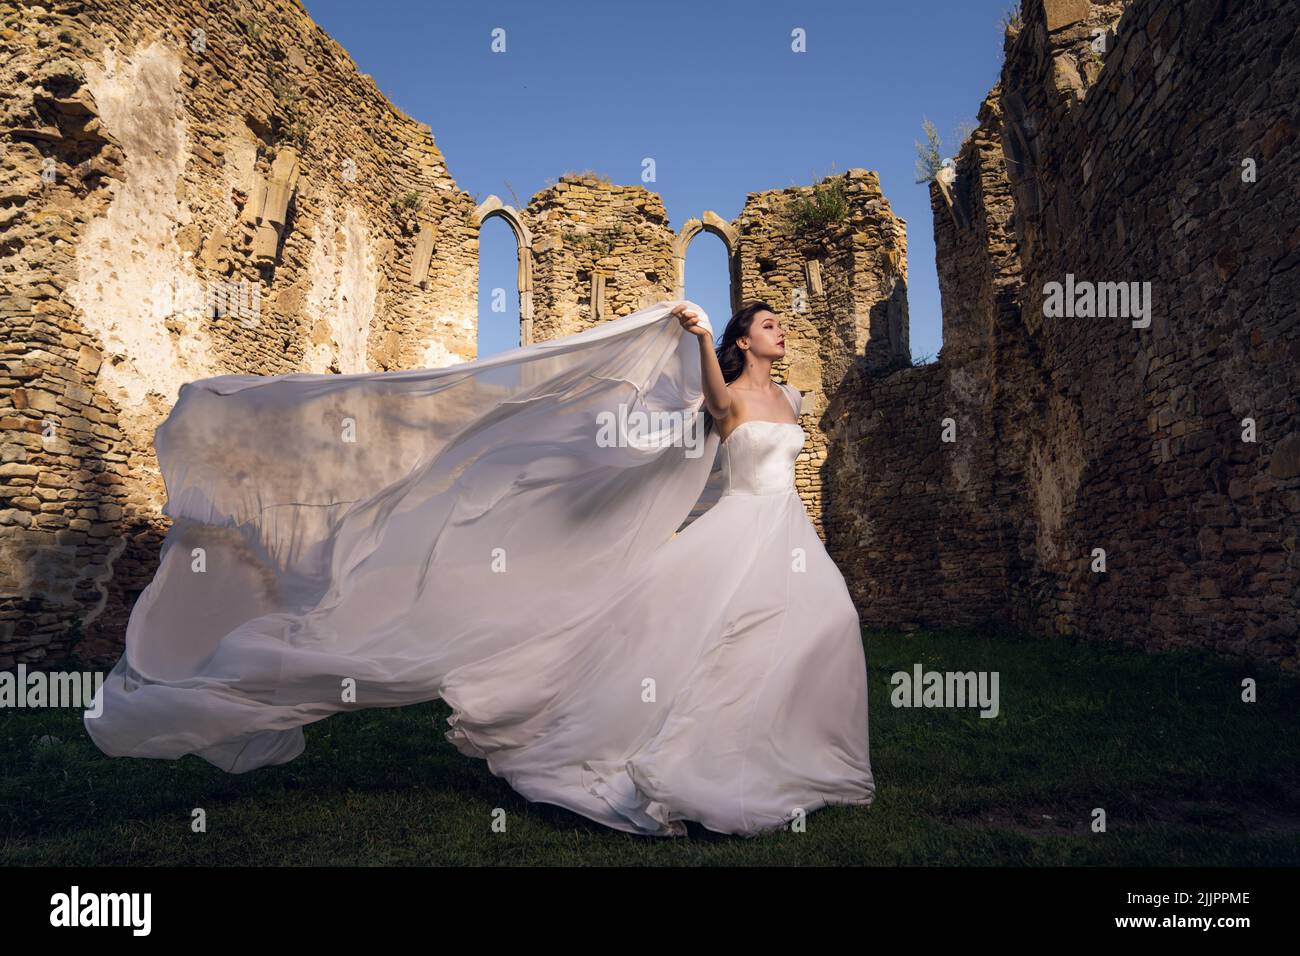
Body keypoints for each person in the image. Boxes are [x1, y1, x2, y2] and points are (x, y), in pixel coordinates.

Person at [84, 298, 875, 838]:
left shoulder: (796, 404)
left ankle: (793, 751)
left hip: (787, 529)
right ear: (744, 340)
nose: (781, 330)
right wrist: (702, 336)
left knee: (824, 623)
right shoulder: (728, 396)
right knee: (722, 638)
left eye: (779, 323)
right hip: (741, 524)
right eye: (767, 324)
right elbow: (709, 408)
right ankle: (702, 760)